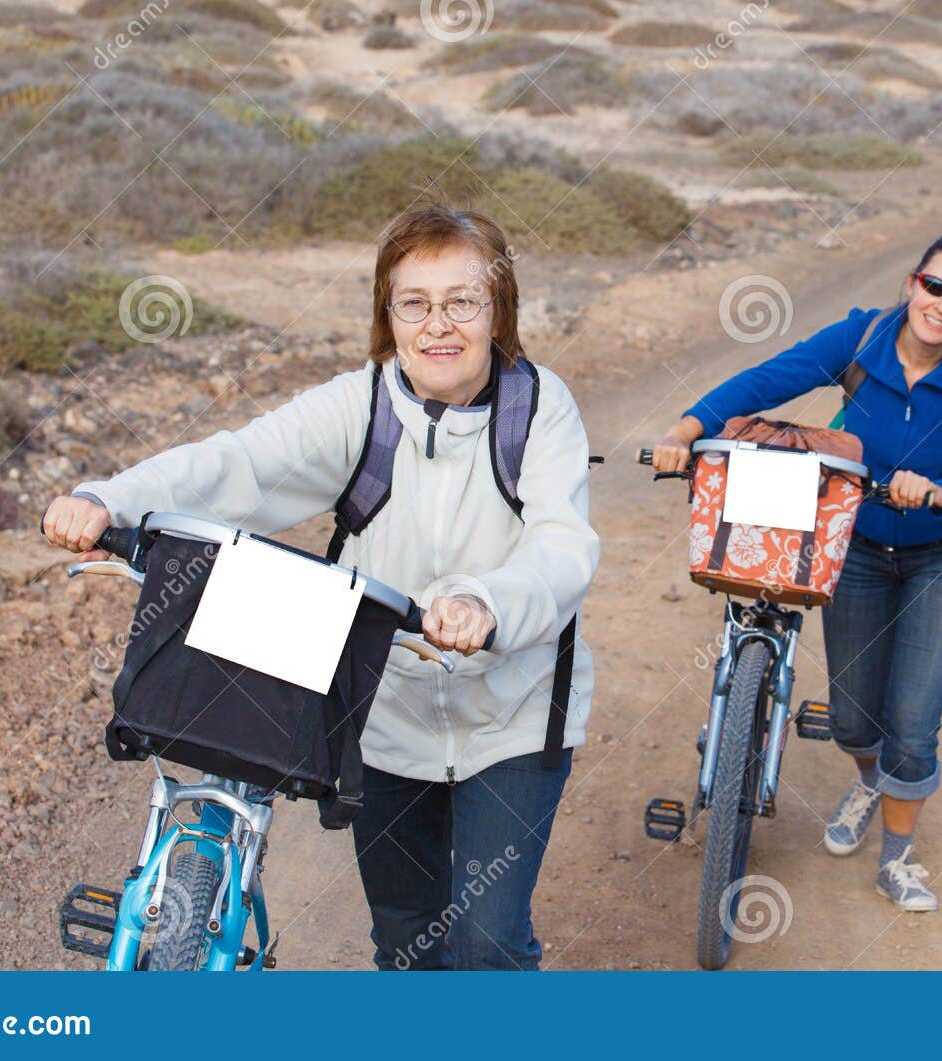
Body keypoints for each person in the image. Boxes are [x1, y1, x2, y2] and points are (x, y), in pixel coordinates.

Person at [41, 203, 600, 970]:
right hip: (385, 711)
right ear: (388, 314)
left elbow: (562, 547)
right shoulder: (361, 403)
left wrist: (484, 603)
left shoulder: (539, 411)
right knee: (405, 937)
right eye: (415, 303)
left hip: (514, 716)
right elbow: (240, 462)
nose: (438, 325)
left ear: (498, 310)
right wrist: (112, 498)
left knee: (487, 940)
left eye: (463, 301)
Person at [653, 236, 942, 912]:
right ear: (913, 282)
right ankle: (870, 778)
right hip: (860, 542)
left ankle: (899, 858)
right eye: (934, 287)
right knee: (852, 715)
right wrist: (687, 427)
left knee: (912, 716)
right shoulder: (862, 336)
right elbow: (772, 377)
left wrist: (939, 492)